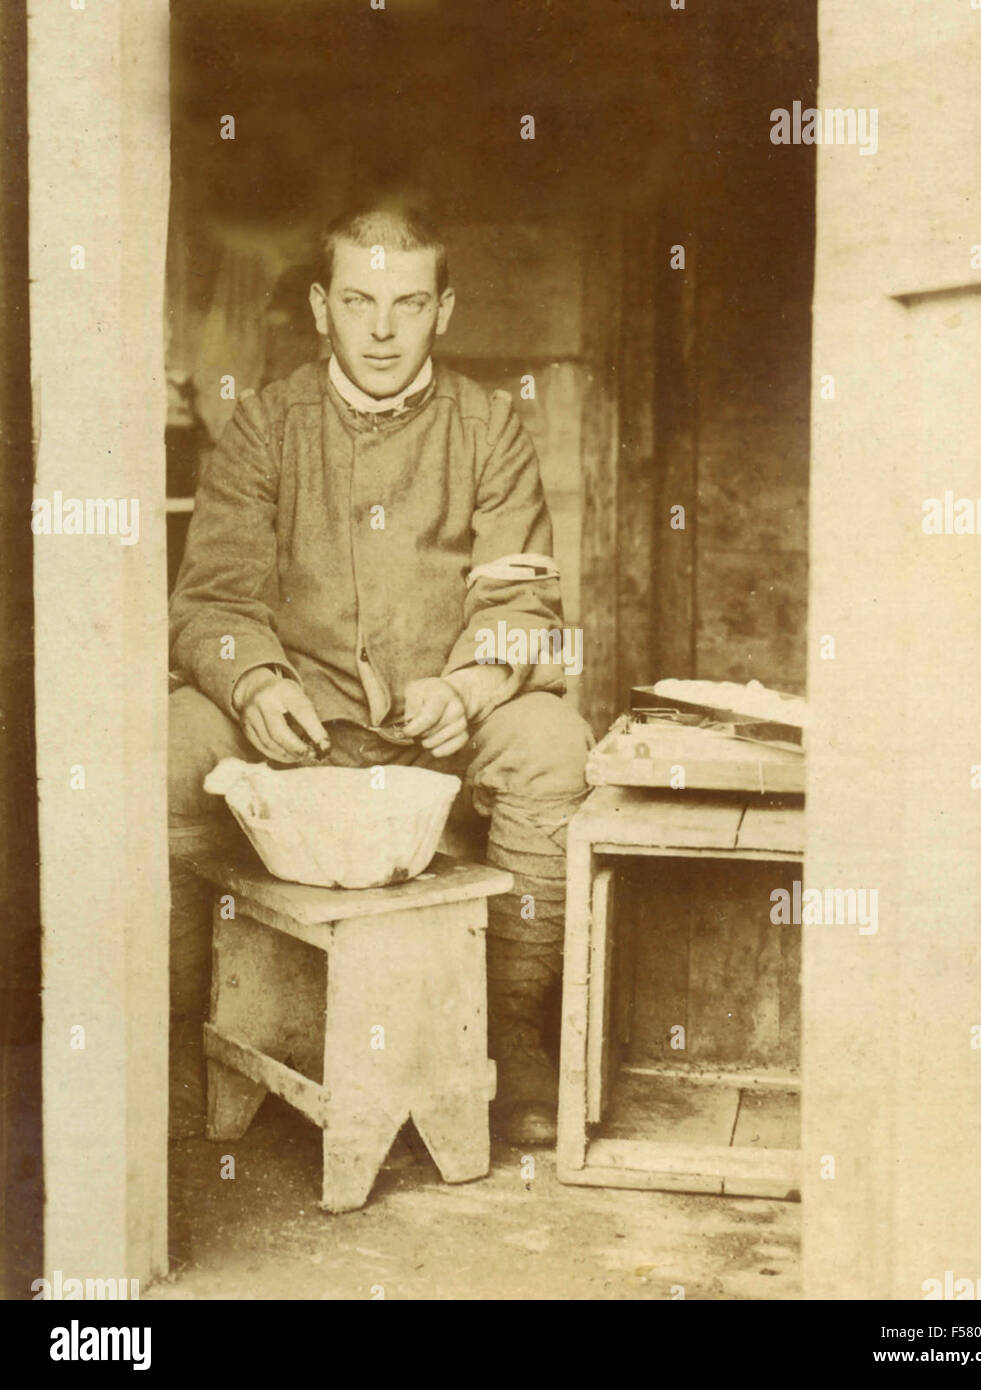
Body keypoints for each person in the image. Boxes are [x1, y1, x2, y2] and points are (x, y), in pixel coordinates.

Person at [168, 193, 593, 1147]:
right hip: (295, 730)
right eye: (360, 302)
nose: (384, 330)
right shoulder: (266, 426)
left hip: (437, 732)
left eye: (409, 303)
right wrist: (253, 683)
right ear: (320, 307)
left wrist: (474, 684)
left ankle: (515, 1035)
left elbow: (524, 608)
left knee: (552, 745)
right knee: (171, 742)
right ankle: (177, 1029)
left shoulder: (490, 428)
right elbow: (209, 602)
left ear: (444, 311)